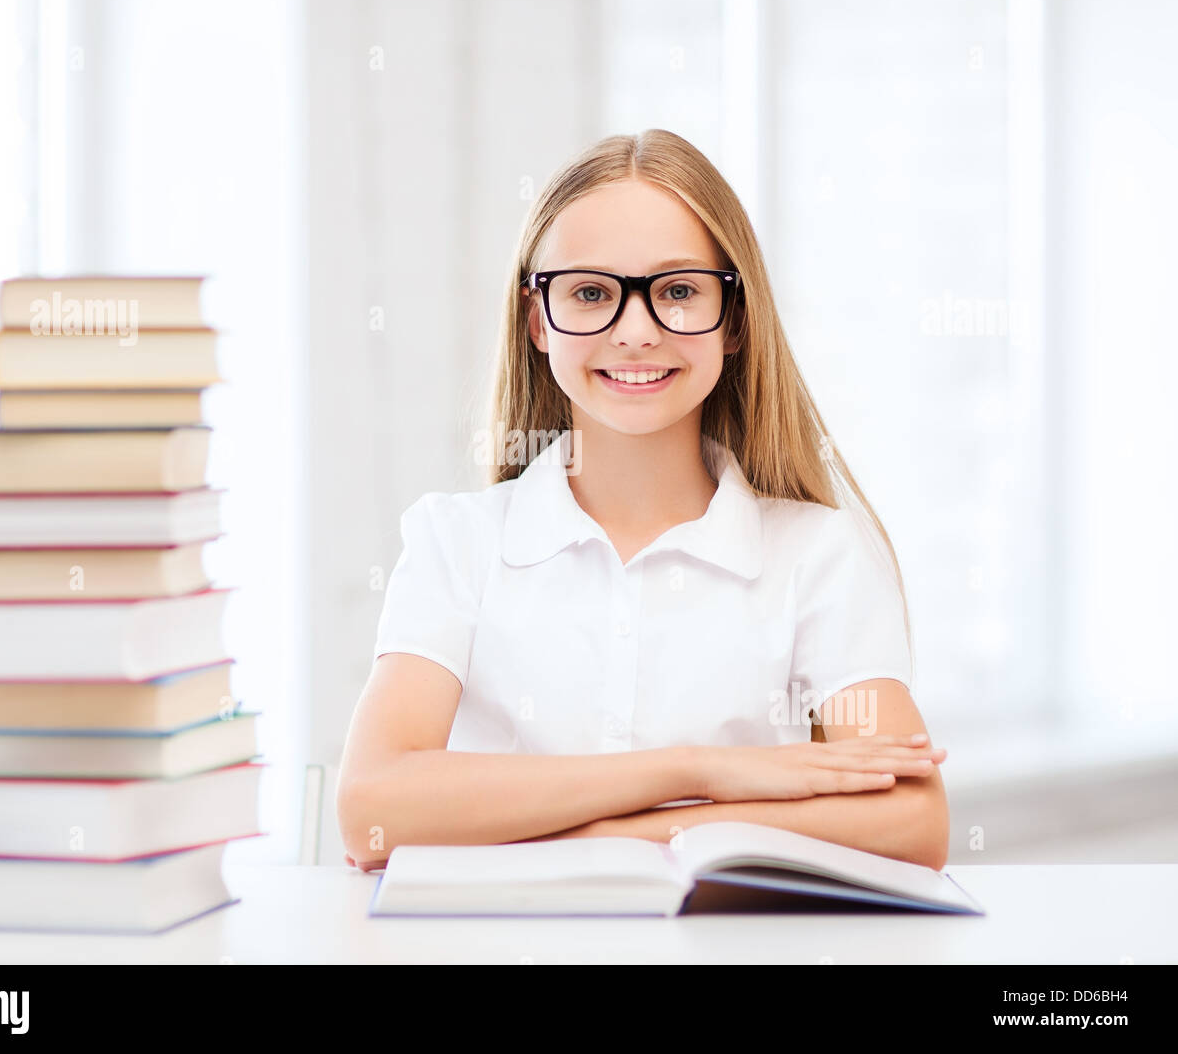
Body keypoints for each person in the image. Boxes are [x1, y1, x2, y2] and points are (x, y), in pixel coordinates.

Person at [338, 129, 948, 873]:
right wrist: (694, 770)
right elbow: (371, 807)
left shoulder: (819, 554)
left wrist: (585, 835)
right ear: (537, 320)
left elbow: (915, 821)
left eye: (679, 291)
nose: (635, 331)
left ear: (735, 320)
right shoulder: (454, 542)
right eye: (591, 292)